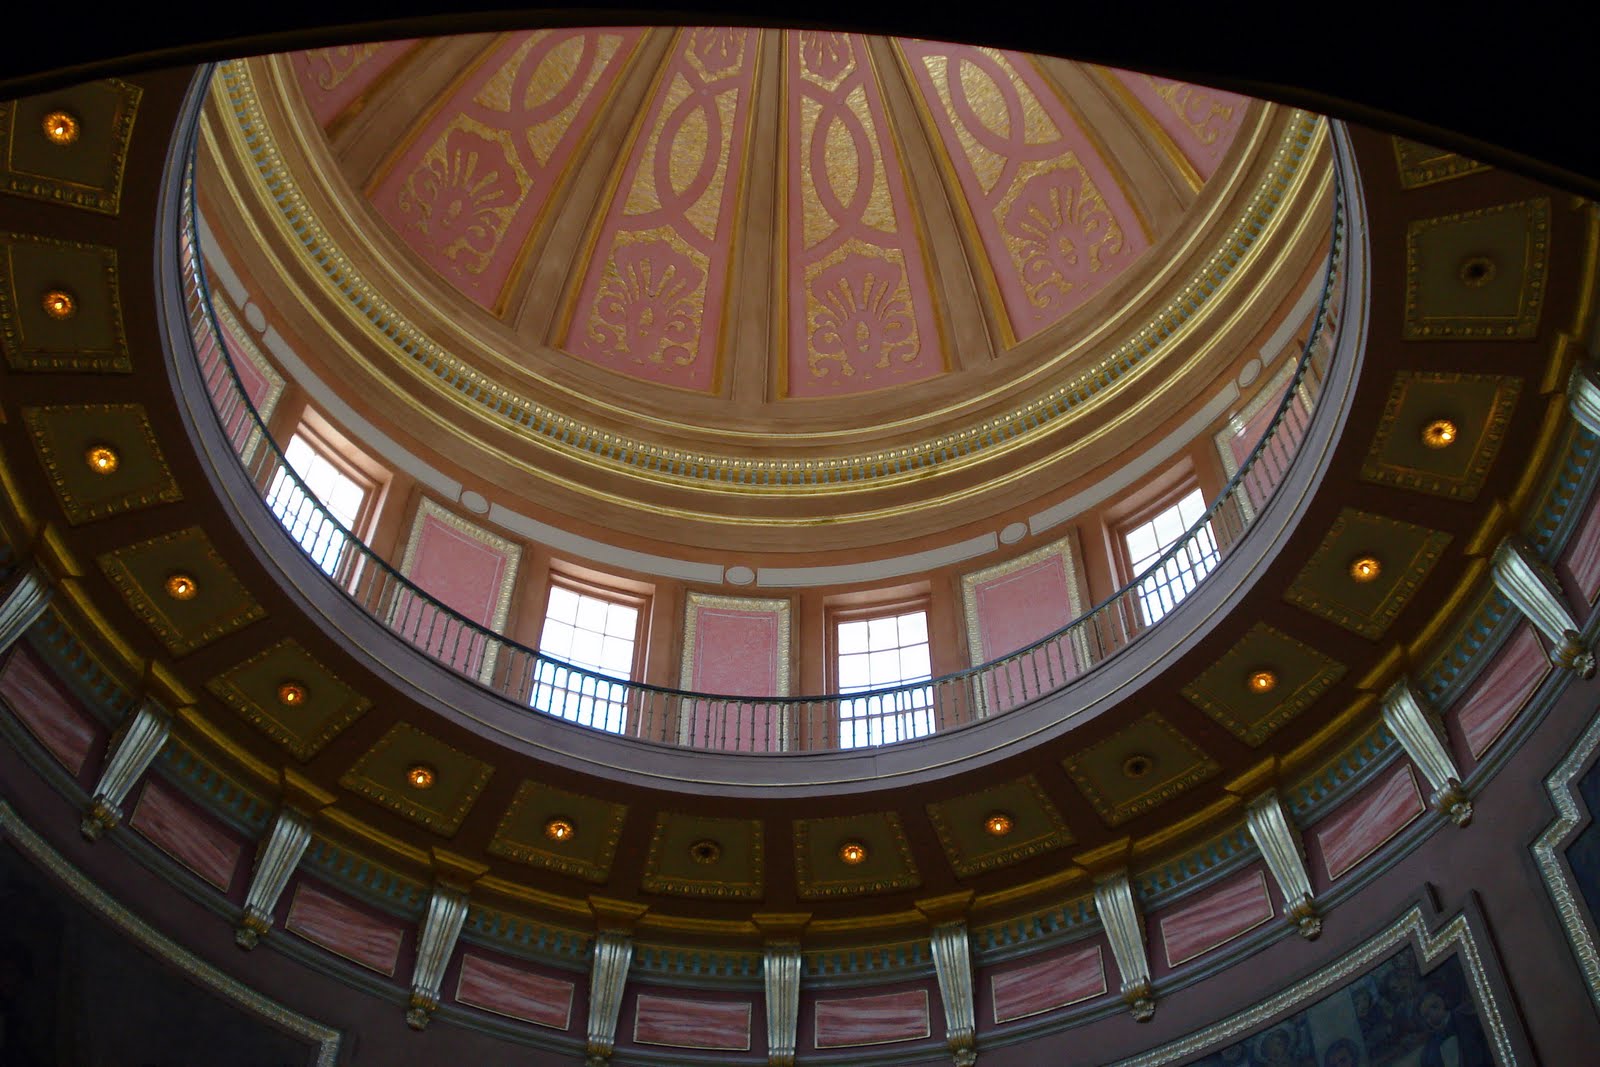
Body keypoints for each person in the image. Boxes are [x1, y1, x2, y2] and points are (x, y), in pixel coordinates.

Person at [1417, 987, 1492, 1067]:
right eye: (1425, 1016)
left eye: (1429, 1012)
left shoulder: (1471, 1022)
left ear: (1441, 1004)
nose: (1429, 1020)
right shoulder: (1428, 1052)